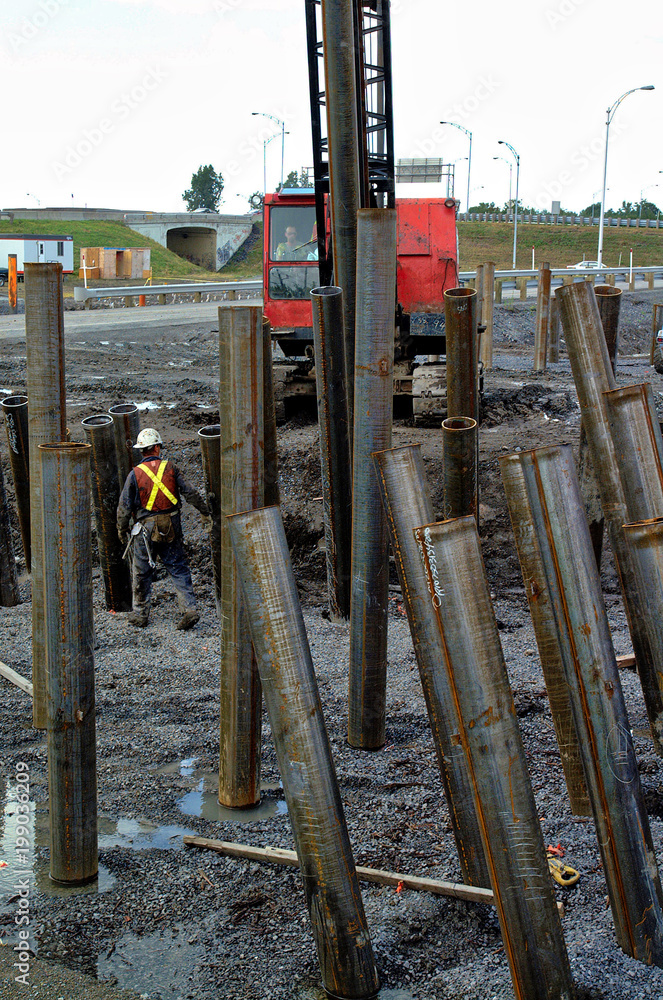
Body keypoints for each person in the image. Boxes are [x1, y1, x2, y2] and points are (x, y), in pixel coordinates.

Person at [116, 428, 210, 630]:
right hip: (171, 525)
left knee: (141, 571)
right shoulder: (171, 468)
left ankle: (141, 615)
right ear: (157, 447)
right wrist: (204, 511)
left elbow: (124, 507)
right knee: (177, 567)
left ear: (142, 451)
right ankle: (189, 609)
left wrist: (121, 529)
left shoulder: (135, 474)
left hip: (144, 529)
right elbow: (191, 493)